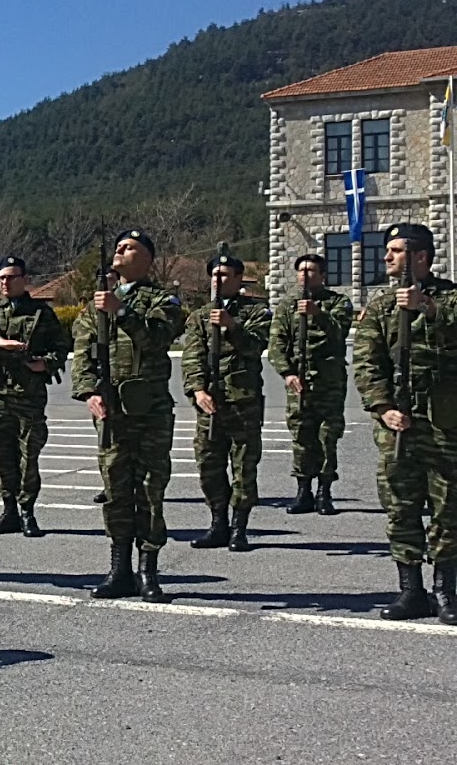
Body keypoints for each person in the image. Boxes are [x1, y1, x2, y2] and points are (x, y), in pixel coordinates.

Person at [70, 229, 185, 603]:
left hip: (149, 411)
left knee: (150, 490)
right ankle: (119, 570)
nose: (120, 251)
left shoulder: (161, 300)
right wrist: (89, 392)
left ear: (147, 259)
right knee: (116, 492)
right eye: (118, 247)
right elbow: (82, 354)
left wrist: (121, 311)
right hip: (112, 413)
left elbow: (158, 337)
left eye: (129, 247)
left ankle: (148, 571)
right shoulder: (96, 305)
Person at [352, 223, 457, 624]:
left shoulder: (449, 297)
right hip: (398, 425)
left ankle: (446, 591)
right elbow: (366, 362)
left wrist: (428, 307)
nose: (387, 257)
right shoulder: (381, 307)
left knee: (449, 508)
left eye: (396, 250)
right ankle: (411, 590)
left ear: (421, 257)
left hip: (446, 423)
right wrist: (382, 407)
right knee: (400, 507)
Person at [0, 255, 69, 537]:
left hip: (29, 394)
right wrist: (0, 342)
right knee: (2, 455)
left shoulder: (41, 313)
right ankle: (9, 511)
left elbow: (61, 347)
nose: (5, 282)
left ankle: (27, 511)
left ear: (25, 280)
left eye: (11, 277)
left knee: (28, 456)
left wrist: (45, 364)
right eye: (1, 278)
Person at [181, 254, 272, 552]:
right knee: (208, 464)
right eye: (214, 275)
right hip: (210, 403)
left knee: (244, 466)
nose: (217, 280)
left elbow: (256, 346)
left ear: (238, 278)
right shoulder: (200, 316)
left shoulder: (256, 311)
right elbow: (192, 357)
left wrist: (233, 326)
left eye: (224, 275)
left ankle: (239, 527)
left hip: (243, 402)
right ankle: (217, 522)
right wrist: (197, 390)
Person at [268, 253, 353, 516]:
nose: (305, 275)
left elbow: (339, 332)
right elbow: (277, 344)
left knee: (327, 437)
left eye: (311, 271)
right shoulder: (287, 305)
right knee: (302, 437)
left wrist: (318, 314)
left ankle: (324, 492)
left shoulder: (338, 302)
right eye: (301, 271)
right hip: (299, 384)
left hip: (329, 383)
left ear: (323, 275)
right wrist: (287, 373)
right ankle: (303, 491)